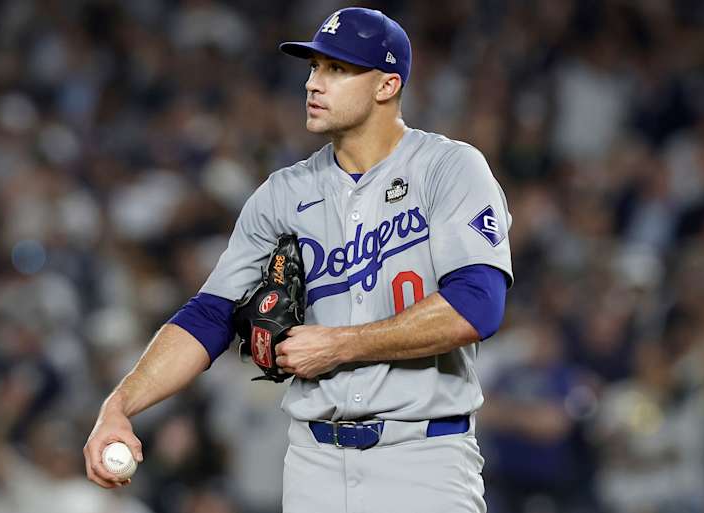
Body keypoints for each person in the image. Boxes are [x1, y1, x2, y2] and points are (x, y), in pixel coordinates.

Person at [84, 7, 513, 513]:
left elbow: (477, 306)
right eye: (313, 67)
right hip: (314, 464)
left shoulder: (447, 168)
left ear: (386, 86)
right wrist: (119, 404)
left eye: (337, 69)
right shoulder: (282, 195)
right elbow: (208, 316)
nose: (314, 83)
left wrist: (340, 345)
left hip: (424, 457)